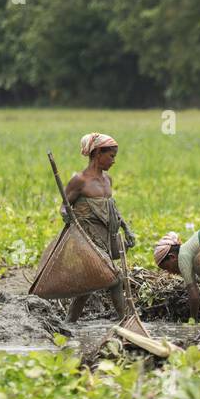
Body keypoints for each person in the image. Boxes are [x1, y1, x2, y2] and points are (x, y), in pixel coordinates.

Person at [64, 132, 136, 323]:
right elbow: (64, 205)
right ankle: (126, 320)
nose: (114, 161)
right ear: (97, 154)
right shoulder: (79, 181)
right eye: (111, 156)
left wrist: (126, 228)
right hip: (87, 240)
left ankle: (69, 323)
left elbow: (111, 208)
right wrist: (66, 214)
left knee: (87, 286)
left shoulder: (107, 180)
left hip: (105, 238)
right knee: (115, 278)